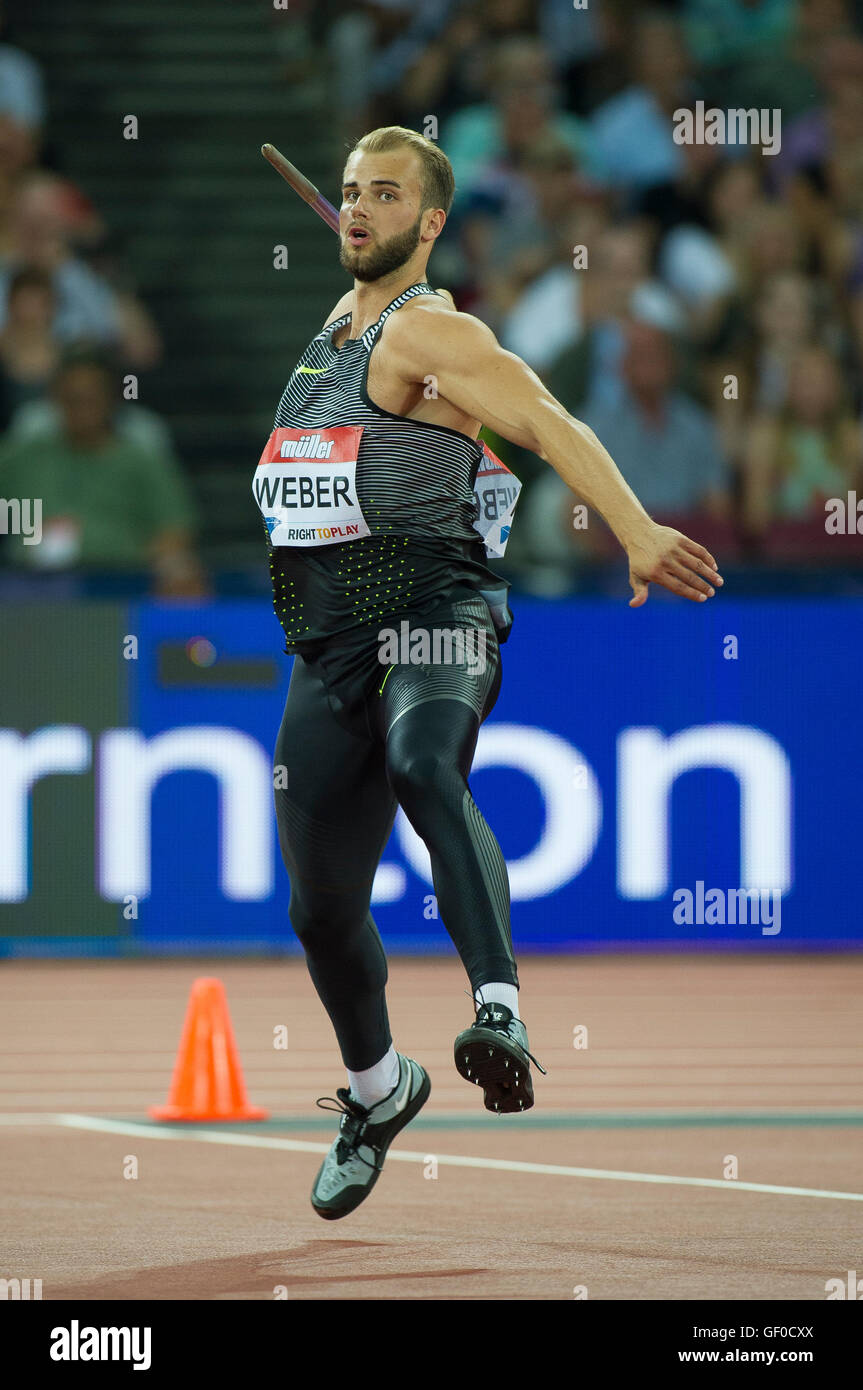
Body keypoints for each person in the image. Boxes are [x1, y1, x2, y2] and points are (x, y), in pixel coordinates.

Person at [258, 125, 723, 1221]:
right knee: (319, 910)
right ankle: (378, 1092)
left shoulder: (435, 331)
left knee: (425, 761)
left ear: (429, 223)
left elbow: (545, 418)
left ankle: (499, 1008)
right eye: (348, 193)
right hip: (327, 645)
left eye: (384, 194)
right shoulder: (337, 325)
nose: (357, 207)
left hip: (436, 612)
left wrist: (634, 528)